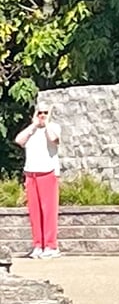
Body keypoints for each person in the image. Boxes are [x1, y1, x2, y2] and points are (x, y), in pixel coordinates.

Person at [15, 99, 61, 258]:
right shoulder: (31, 130)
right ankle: (38, 245)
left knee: (48, 211)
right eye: (39, 112)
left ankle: (51, 246)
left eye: (45, 112)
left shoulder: (54, 127)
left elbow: (54, 139)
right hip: (31, 173)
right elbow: (19, 140)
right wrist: (34, 125)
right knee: (34, 213)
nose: (42, 115)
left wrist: (46, 123)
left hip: (48, 172)